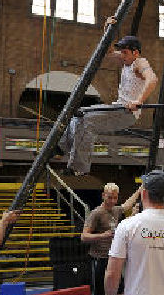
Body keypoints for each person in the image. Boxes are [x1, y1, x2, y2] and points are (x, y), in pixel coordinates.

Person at [58, 16, 158, 176]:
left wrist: (139, 101)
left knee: (88, 121)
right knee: (78, 114)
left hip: (127, 112)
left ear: (135, 52)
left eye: (125, 52)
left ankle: (79, 167)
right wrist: (107, 29)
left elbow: (152, 80)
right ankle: (62, 147)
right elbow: (108, 50)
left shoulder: (140, 62)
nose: (122, 55)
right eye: (122, 52)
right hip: (118, 107)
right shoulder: (127, 60)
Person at [82, 182, 140, 295]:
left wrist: (140, 189)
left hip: (113, 260)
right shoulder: (96, 213)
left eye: (115, 197)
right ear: (103, 196)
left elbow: (127, 204)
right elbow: (84, 236)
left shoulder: (115, 210)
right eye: (109, 197)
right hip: (98, 261)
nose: (112, 200)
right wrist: (102, 235)